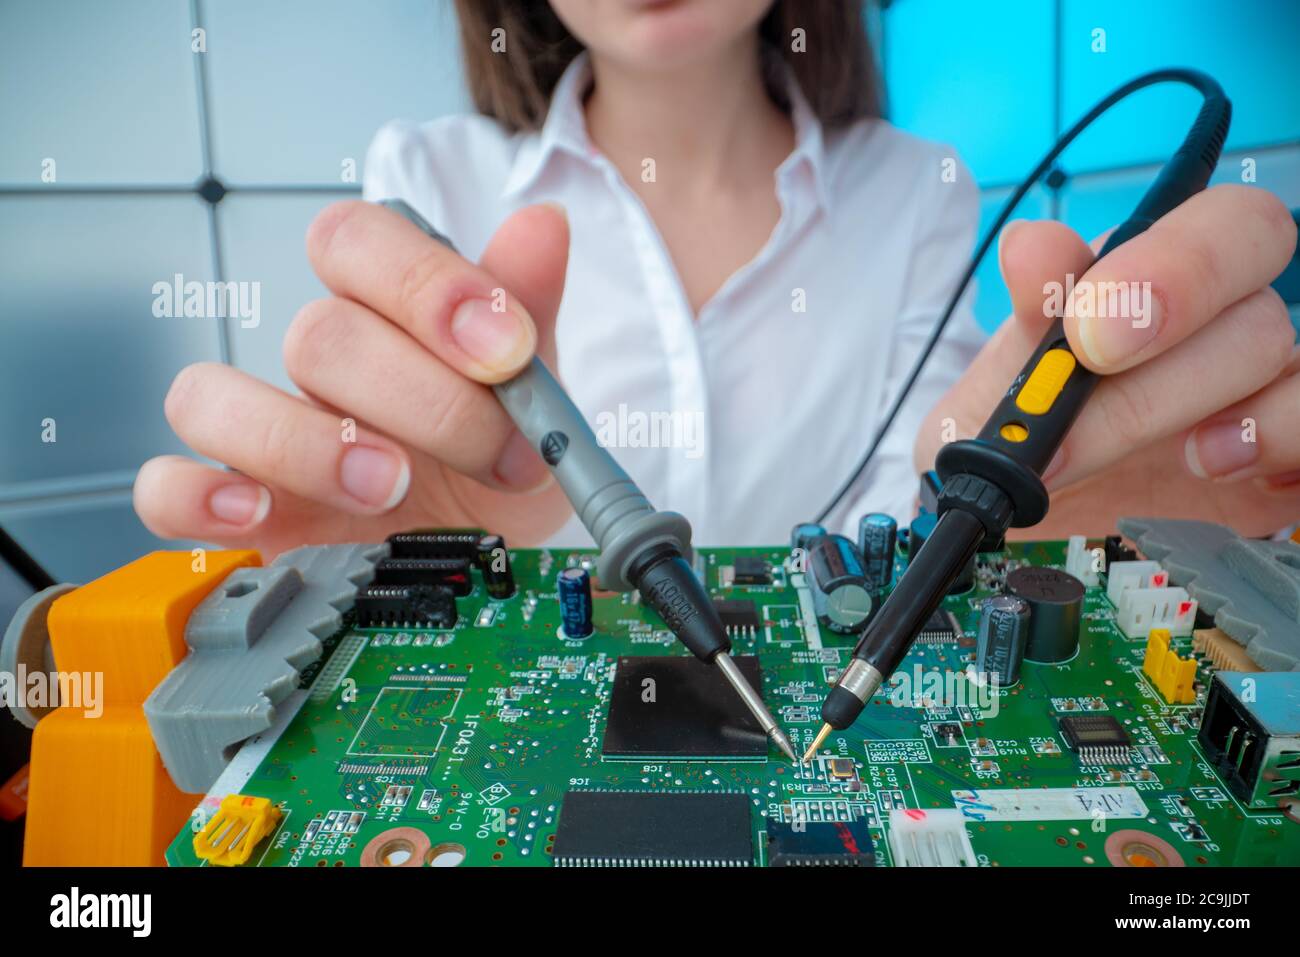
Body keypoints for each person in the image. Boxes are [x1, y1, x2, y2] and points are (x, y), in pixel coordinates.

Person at [134, 0, 1298, 558]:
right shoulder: (423, 172)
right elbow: (377, 511)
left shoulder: (916, 189)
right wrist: (392, 556)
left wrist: (1053, 525)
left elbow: (905, 520)